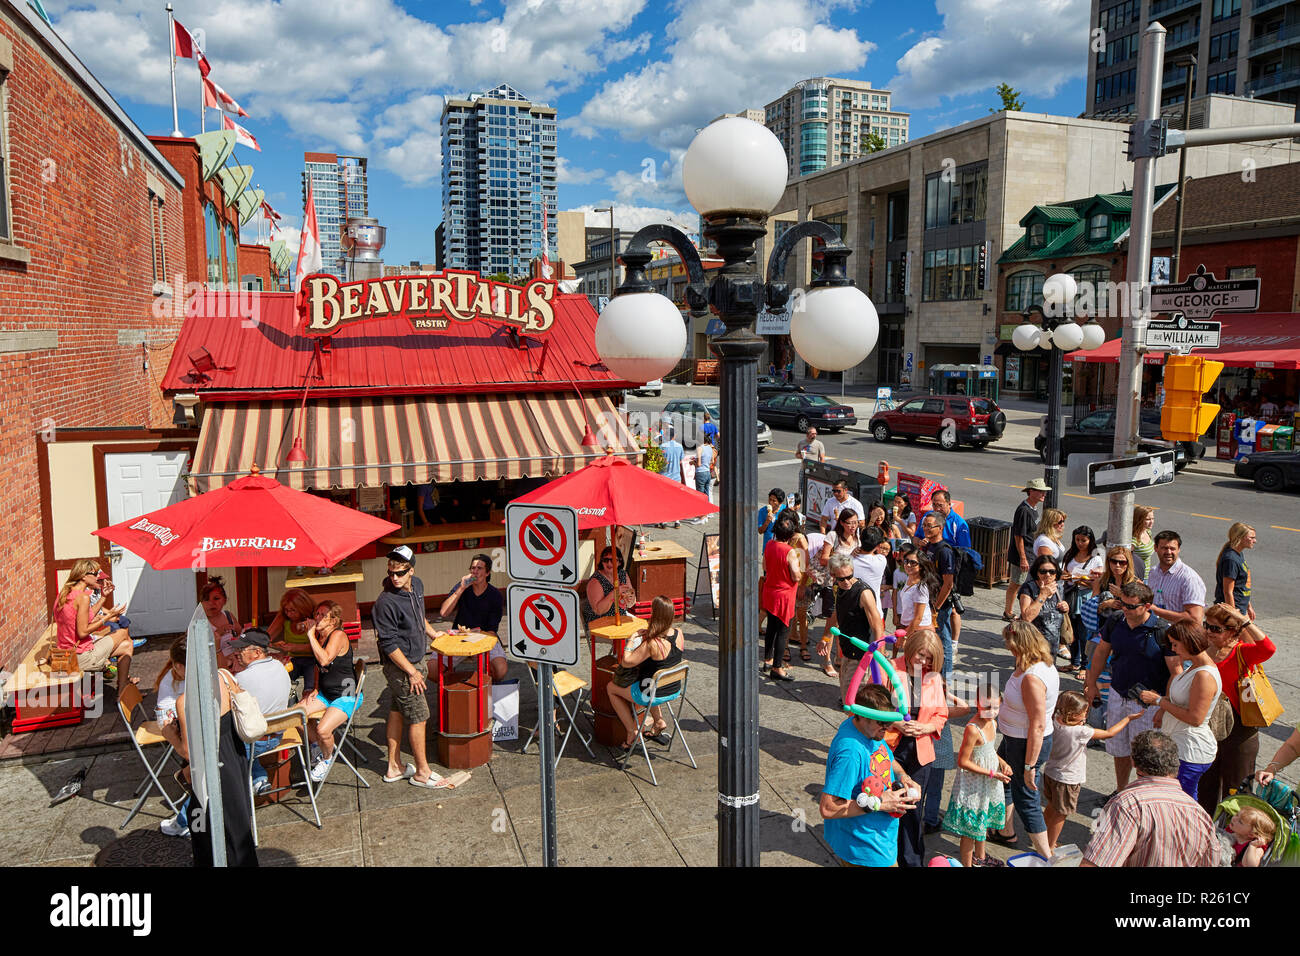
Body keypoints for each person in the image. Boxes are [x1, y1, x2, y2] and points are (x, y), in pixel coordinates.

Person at [1084, 580, 1181, 791]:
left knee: (1146, 754)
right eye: (1123, 603)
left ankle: (1143, 794)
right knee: (1119, 749)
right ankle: (1121, 790)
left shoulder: (1162, 631)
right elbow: (1101, 652)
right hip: (1118, 693)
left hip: (1148, 703)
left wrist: (1163, 706)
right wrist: (1091, 684)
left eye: (1131, 606)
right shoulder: (1115, 621)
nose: (1125, 609)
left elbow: (1176, 672)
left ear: (1146, 606)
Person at [1081, 730, 1220, 867]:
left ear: (1133, 762)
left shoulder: (1126, 804)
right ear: (1175, 764)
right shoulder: (1200, 814)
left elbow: (1096, 862)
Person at [819, 683, 920, 867]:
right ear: (863, 716)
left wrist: (904, 777)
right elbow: (828, 808)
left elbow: (885, 757)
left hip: (878, 839)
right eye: (881, 723)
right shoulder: (851, 752)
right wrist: (880, 803)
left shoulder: (865, 730)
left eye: (888, 722)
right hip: (865, 847)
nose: (887, 729)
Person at [372, 545, 443, 789]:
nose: (394, 578)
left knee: (397, 710)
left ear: (411, 570)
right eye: (391, 573)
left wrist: (434, 634)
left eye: (400, 573)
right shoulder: (385, 602)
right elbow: (389, 644)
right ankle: (422, 772)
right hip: (402, 668)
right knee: (419, 716)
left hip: (415, 661)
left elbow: (419, 615)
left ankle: (394, 767)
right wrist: (412, 672)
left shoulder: (418, 587)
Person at [988, 622, 1059, 861]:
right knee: (1005, 780)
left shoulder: (1032, 677)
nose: (1009, 650)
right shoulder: (1037, 663)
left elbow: (1037, 725)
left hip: (1025, 744)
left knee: (1027, 797)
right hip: (1013, 738)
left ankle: (1046, 855)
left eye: (1011, 646)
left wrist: (1030, 766)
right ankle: (1005, 831)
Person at [174, 664, 258, 864]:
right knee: (238, 821)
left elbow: (187, 751)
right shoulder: (225, 677)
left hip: (211, 763)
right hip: (235, 753)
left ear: (179, 666)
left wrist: (169, 735)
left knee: (203, 823)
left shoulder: (185, 701)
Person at [1199, 602, 1276, 815]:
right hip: (1208, 729)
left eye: (1216, 629)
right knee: (1205, 786)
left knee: (1235, 790)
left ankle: (1233, 837)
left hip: (1240, 731)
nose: (1208, 632)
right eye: (1207, 626)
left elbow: (1268, 648)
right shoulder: (1203, 649)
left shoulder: (1243, 652)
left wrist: (1244, 621)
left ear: (1233, 632)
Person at [1042, 691, 1136, 855]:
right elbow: (1109, 733)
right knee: (1061, 814)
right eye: (1084, 712)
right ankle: (1049, 845)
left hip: (1050, 773)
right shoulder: (1080, 732)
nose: (1086, 715)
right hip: (1068, 779)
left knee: (1051, 807)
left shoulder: (1055, 721)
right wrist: (1127, 719)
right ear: (1074, 714)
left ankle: (1041, 837)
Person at [1137, 622, 1220, 799]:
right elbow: (1185, 702)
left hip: (1190, 750)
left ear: (1189, 641)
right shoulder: (1195, 667)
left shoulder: (1204, 675)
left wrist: (1159, 701)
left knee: (1181, 801)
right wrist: (1161, 701)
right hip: (1181, 746)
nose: (1173, 649)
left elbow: (1196, 718)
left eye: (1175, 644)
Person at [890, 628, 949, 867]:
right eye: (920, 655)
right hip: (891, 747)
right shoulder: (889, 668)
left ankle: (912, 862)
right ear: (910, 648)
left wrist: (926, 728)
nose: (923, 662)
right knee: (887, 804)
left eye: (929, 658)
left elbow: (941, 714)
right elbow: (873, 707)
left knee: (913, 810)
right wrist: (898, 724)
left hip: (920, 751)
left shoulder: (933, 676)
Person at [943, 685, 1011, 867]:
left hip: (988, 783)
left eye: (996, 707)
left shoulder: (993, 723)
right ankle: (968, 864)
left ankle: (980, 858)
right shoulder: (973, 729)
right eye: (987, 707)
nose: (992, 712)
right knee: (970, 832)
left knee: (984, 821)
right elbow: (963, 762)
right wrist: (992, 773)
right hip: (974, 785)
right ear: (977, 704)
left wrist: (1002, 763)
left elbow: (988, 750)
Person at [606, 596, 684, 751]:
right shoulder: (679, 633)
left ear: (654, 614)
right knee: (652, 679)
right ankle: (659, 721)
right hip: (673, 689)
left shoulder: (652, 644)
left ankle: (631, 731)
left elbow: (626, 661)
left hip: (651, 694)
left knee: (611, 688)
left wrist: (632, 640)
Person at [300, 601, 359, 782]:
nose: (317, 617)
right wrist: (315, 688)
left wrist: (310, 635)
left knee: (323, 730)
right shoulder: (321, 638)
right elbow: (318, 666)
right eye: (316, 614)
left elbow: (324, 660)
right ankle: (318, 746)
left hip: (346, 694)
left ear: (333, 620)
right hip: (326, 693)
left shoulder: (338, 635)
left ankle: (326, 759)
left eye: (322, 615)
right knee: (296, 716)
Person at [230, 628, 291, 796]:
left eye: (241, 650)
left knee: (218, 746)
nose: (237, 653)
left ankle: (186, 817)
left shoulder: (242, 679)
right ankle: (259, 778)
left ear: (257, 652)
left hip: (254, 742)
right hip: (278, 736)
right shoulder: (280, 667)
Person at [54, 560, 133, 686]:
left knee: (127, 645)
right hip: (80, 657)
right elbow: (82, 632)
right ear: (84, 576)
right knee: (123, 633)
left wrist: (103, 597)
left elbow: (87, 617)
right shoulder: (83, 597)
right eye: (95, 573)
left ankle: (123, 685)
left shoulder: (64, 593)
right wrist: (107, 618)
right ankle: (122, 687)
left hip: (64, 654)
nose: (98, 577)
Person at [819, 553, 885, 696]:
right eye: (841, 578)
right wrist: (825, 638)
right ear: (833, 575)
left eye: (850, 576)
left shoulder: (863, 593)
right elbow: (835, 614)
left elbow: (877, 625)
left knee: (854, 700)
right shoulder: (838, 587)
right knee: (846, 697)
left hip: (862, 655)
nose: (847, 582)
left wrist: (878, 657)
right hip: (847, 652)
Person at [438, 553, 507, 682]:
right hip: (459, 635)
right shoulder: (462, 586)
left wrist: (475, 645)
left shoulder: (495, 595)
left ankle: (479, 684)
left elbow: (492, 631)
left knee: (500, 670)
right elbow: (443, 613)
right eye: (472, 568)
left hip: (485, 636)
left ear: (487, 573)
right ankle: (458, 685)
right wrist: (462, 588)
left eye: (479, 568)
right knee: (432, 669)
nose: (475, 571)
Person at [760, 514, 803, 682]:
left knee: (771, 627)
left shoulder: (770, 544)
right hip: (784, 596)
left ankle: (767, 659)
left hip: (770, 592)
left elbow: (764, 566)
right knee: (783, 632)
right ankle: (777, 667)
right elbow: (796, 576)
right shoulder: (789, 551)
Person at [918, 513, 958, 682]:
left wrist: (937, 607)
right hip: (928, 600)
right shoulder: (928, 547)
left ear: (940, 528)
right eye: (924, 525)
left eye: (929, 526)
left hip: (939, 604)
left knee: (943, 641)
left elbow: (948, 583)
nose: (926, 529)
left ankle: (946, 680)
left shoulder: (945, 551)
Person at [1061, 525, 1104, 675]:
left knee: (1084, 634)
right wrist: (1068, 577)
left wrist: (1077, 579)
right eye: (1077, 540)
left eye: (1083, 540)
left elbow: (1097, 582)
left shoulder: (1096, 559)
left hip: (1086, 599)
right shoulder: (1070, 555)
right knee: (1071, 632)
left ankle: (1085, 667)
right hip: (1071, 597)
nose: (1080, 543)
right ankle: (1074, 662)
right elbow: (1064, 573)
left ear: (1090, 540)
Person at [1003, 479, 1047, 621]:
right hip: (1023, 555)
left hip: (1030, 553)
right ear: (1031, 491)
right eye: (1040, 491)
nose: (1043, 494)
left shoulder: (1033, 509)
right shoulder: (1023, 510)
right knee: (1016, 583)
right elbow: (1018, 536)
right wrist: (1023, 557)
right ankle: (1008, 612)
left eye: (1044, 491)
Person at [1147, 530, 1206, 627]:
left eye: (1172, 548)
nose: (1168, 552)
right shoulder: (1153, 573)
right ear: (1155, 548)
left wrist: (1157, 611)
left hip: (1178, 637)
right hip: (1155, 633)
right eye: (1164, 548)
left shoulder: (1189, 579)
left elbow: (1195, 619)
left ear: (1179, 549)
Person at [1018, 554, 1069, 661]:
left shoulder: (1058, 587)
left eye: (1052, 572)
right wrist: (1043, 595)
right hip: (1032, 646)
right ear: (1036, 572)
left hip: (1052, 648)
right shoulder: (1028, 588)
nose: (1048, 575)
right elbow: (1027, 617)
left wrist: (1065, 607)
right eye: (1043, 571)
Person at [268, 588, 318, 693]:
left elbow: (319, 647)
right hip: (293, 659)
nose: (289, 614)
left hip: (313, 660)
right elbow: (267, 636)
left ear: (303, 608)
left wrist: (294, 647)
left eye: (293, 610)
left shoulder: (314, 618)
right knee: (279, 682)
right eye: (286, 610)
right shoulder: (284, 617)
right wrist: (276, 645)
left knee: (310, 689)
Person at [583, 546, 636, 626]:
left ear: (619, 562)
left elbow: (631, 601)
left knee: (643, 632)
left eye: (613, 560)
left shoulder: (623, 574)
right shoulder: (595, 581)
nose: (609, 563)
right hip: (600, 624)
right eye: (605, 560)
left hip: (620, 618)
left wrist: (630, 599)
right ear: (602, 562)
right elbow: (599, 610)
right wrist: (614, 593)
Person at [1214, 522, 1256, 620]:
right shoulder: (1231, 560)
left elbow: (1242, 585)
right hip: (1233, 610)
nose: (1255, 541)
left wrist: (1248, 606)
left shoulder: (1238, 554)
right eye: (1251, 538)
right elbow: (1228, 592)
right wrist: (1233, 616)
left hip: (1240, 609)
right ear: (1239, 537)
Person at [201, 577, 242, 671]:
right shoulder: (201, 623)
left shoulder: (228, 616)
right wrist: (217, 633)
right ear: (201, 603)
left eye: (216, 598)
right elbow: (200, 652)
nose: (211, 603)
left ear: (225, 600)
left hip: (235, 662)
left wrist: (240, 639)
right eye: (206, 599)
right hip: (215, 667)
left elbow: (241, 633)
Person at [894, 549, 935, 639]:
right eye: (906, 561)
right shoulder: (909, 578)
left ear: (921, 566)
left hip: (920, 630)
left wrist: (905, 637)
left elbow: (918, 618)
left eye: (913, 563)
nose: (908, 565)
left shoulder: (921, 588)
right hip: (909, 627)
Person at [852, 526, 889, 602]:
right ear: (879, 545)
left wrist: (853, 552)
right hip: (874, 609)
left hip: (851, 609)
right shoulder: (881, 560)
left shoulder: (848, 560)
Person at [756, 488, 787, 553]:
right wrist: (767, 522)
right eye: (770, 499)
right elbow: (760, 531)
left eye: (774, 501)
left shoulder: (785, 510)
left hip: (782, 547)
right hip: (768, 547)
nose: (770, 502)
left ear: (780, 502)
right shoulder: (762, 511)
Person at [1130, 505, 1156, 582]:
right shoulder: (1134, 540)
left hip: (1148, 576)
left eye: (1152, 518)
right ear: (1139, 520)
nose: (1151, 522)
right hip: (1138, 579)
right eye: (1148, 519)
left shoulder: (1148, 532)